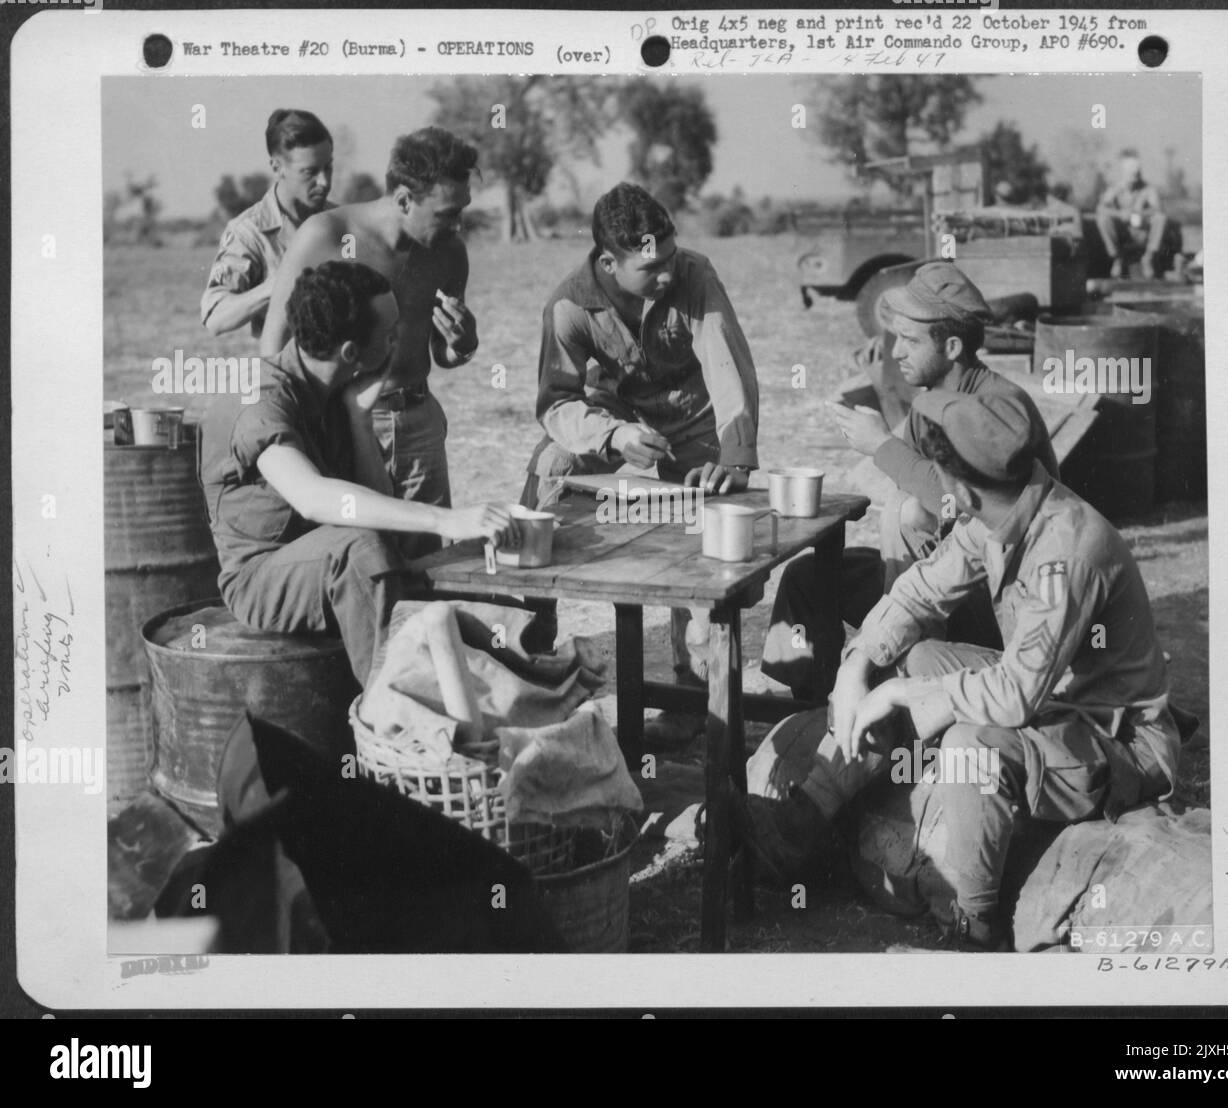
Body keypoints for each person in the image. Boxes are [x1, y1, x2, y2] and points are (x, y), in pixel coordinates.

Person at [740, 389, 1180, 950]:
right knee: (910, 652)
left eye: (942, 476)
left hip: (1112, 737)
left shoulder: (1069, 551)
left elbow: (1017, 695)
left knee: (970, 744)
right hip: (1053, 695)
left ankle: (974, 927)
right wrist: (857, 665)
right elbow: (921, 591)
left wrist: (903, 694)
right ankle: (800, 824)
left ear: (964, 488)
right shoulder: (1006, 510)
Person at [200, 260, 518, 686]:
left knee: (459, 589)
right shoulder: (259, 394)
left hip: (330, 559)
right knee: (360, 548)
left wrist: (359, 419)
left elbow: (373, 499)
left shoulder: (334, 392)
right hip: (261, 578)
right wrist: (443, 518)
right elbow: (312, 497)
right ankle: (393, 716)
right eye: (388, 334)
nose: (398, 343)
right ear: (351, 352)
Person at [520, 183, 761, 739]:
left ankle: (692, 698)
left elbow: (728, 367)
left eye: (671, 260)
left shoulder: (696, 276)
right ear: (608, 262)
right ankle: (534, 653)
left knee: (708, 539)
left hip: (695, 417)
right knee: (549, 469)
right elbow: (555, 404)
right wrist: (612, 434)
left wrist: (736, 457)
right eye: (651, 268)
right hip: (614, 417)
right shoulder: (567, 306)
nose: (667, 276)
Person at [761, 262, 1059, 702]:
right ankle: (822, 703)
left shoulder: (998, 408)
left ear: (953, 346)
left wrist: (881, 443)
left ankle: (899, 692)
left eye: (910, 341)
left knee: (907, 514)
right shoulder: (930, 401)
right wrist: (882, 419)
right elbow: (895, 475)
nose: (896, 351)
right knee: (809, 576)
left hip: (999, 603)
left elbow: (957, 501)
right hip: (941, 580)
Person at [260, 127, 481, 544]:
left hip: (418, 421)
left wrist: (463, 343)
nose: (458, 225)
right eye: (447, 213)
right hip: (344, 425)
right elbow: (272, 348)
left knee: (429, 556)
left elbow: (444, 353)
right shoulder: (324, 236)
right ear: (402, 200)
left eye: (461, 210)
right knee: (362, 551)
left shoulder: (449, 252)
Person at [201, 109, 335, 338]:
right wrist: (278, 286)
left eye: (328, 168)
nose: (324, 182)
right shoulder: (248, 232)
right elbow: (215, 317)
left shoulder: (342, 221)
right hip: (284, 367)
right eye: (310, 172)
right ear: (277, 167)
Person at [1095, 149, 1168, 279]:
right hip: (1123, 231)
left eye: (1136, 175)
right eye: (1131, 175)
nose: (1133, 179)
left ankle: (1148, 258)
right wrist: (1120, 213)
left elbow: (1158, 208)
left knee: (1160, 218)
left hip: (1142, 231)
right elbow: (1101, 208)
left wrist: (1139, 213)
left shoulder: (1148, 188)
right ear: (1124, 175)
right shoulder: (1115, 188)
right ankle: (1117, 258)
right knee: (1103, 219)